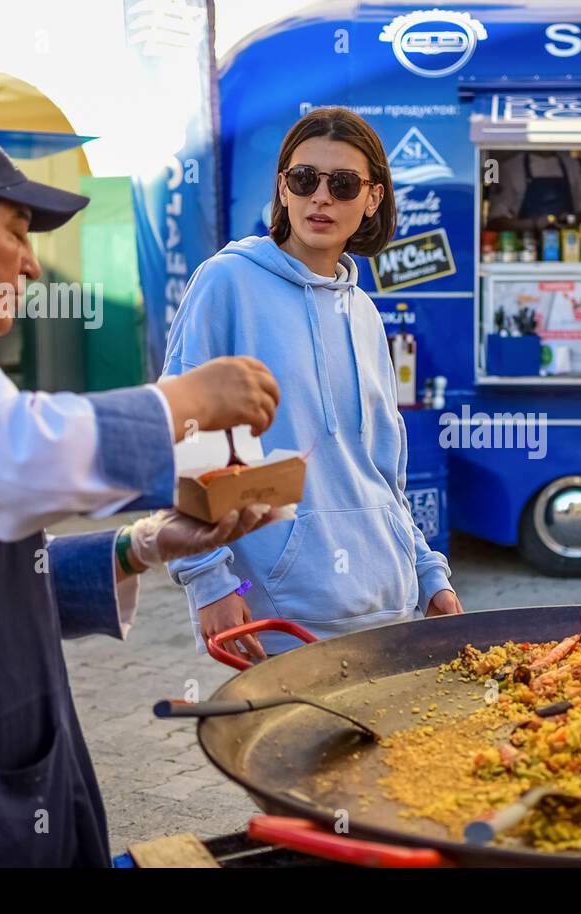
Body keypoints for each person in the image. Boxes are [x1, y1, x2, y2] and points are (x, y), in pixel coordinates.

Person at [0, 120, 285, 866]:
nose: (32, 266)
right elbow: (13, 458)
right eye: (17, 231)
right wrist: (180, 401)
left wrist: (142, 543)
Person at [163, 107, 460, 659]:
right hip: (286, 618)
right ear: (282, 188)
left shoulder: (366, 313)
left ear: (371, 199)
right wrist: (209, 581)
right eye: (304, 180)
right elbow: (187, 433)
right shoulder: (227, 283)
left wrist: (427, 574)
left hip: (389, 609)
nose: (321, 197)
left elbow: (379, 471)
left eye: (343, 184)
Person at [485, 149, 581, 230]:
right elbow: (495, 222)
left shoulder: (572, 166)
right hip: (527, 249)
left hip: (569, 247)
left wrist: (568, 219)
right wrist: (532, 224)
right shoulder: (510, 167)